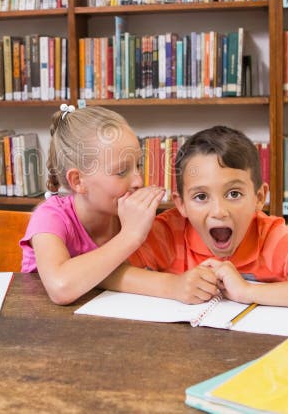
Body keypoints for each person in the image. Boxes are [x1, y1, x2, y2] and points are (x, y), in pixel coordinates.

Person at [130, 125, 288, 309]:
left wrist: (247, 292)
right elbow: (106, 272)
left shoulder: (271, 238)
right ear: (181, 204)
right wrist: (173, 286)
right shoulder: (169, 232)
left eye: (233, 194)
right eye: (201, 197)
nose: (219, 211)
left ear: (259, 198)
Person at [21, 104, 189, 305]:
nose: (138, 181)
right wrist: (131, 236)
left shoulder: (124, 214)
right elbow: (61, 287)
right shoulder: (49, 217)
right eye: (121, 172)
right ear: (78, 181)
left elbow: (118, 276)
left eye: (138, 165)